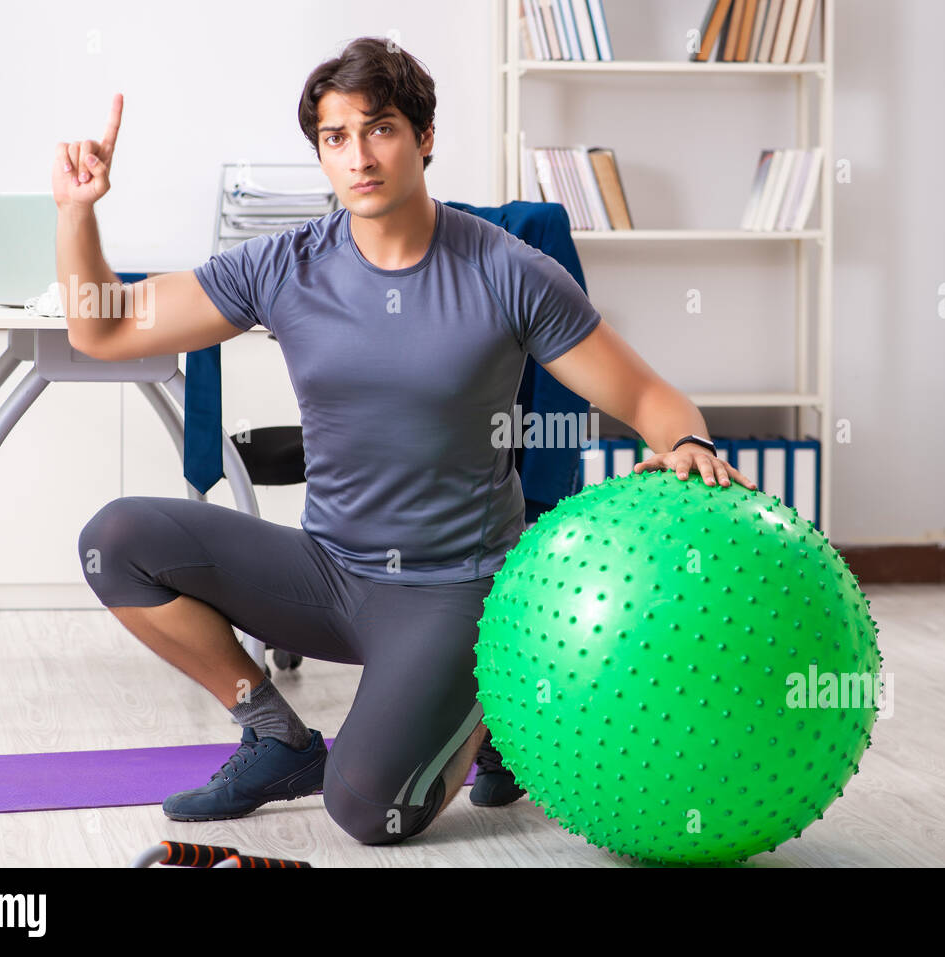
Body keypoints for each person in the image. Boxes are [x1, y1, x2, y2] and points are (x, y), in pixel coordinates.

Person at [56, 36, 756, 846]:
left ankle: (495, 702)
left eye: (379, 128)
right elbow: (101, 328)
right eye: (335, 137)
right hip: (328, 572)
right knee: (118, 541)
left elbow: (643, 394)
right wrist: (79, 213)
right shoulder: (285, 265)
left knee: (366, 811)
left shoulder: (509, 269)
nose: (359, 155)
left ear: (423, 137)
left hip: (458, 590)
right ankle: (274, 736)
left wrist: (690, 442)